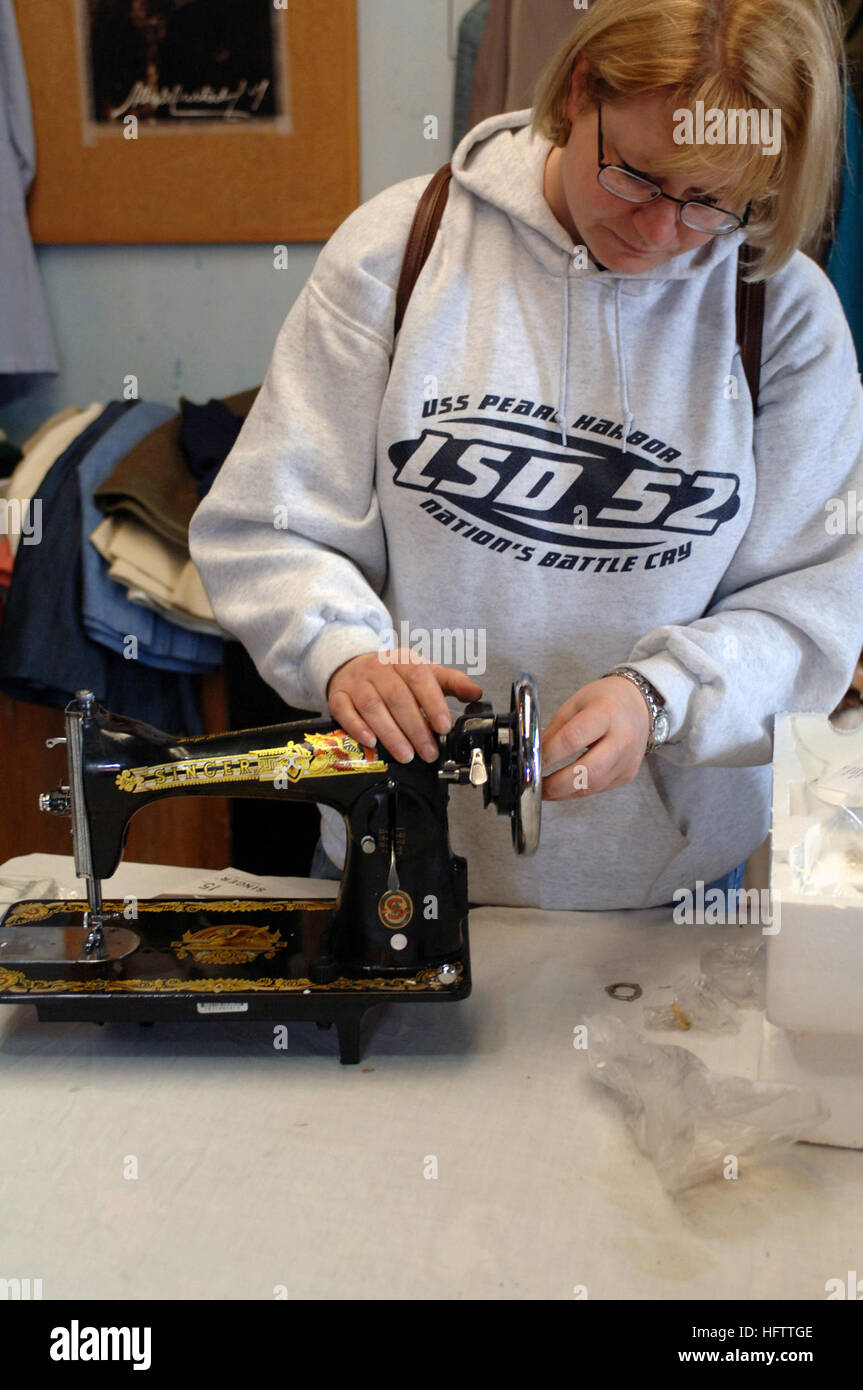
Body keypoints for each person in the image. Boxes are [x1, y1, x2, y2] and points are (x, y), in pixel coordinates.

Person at [189, 0, 863, 911]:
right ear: (579, 89)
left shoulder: (778, 311)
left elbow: (810, 611)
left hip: (670, 892)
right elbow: (267, 527)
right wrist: (344, 653)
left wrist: (659, 698)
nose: (661, 233)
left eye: (710, 202)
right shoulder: (397, 254)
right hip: (396, 854)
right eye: (637, 176)